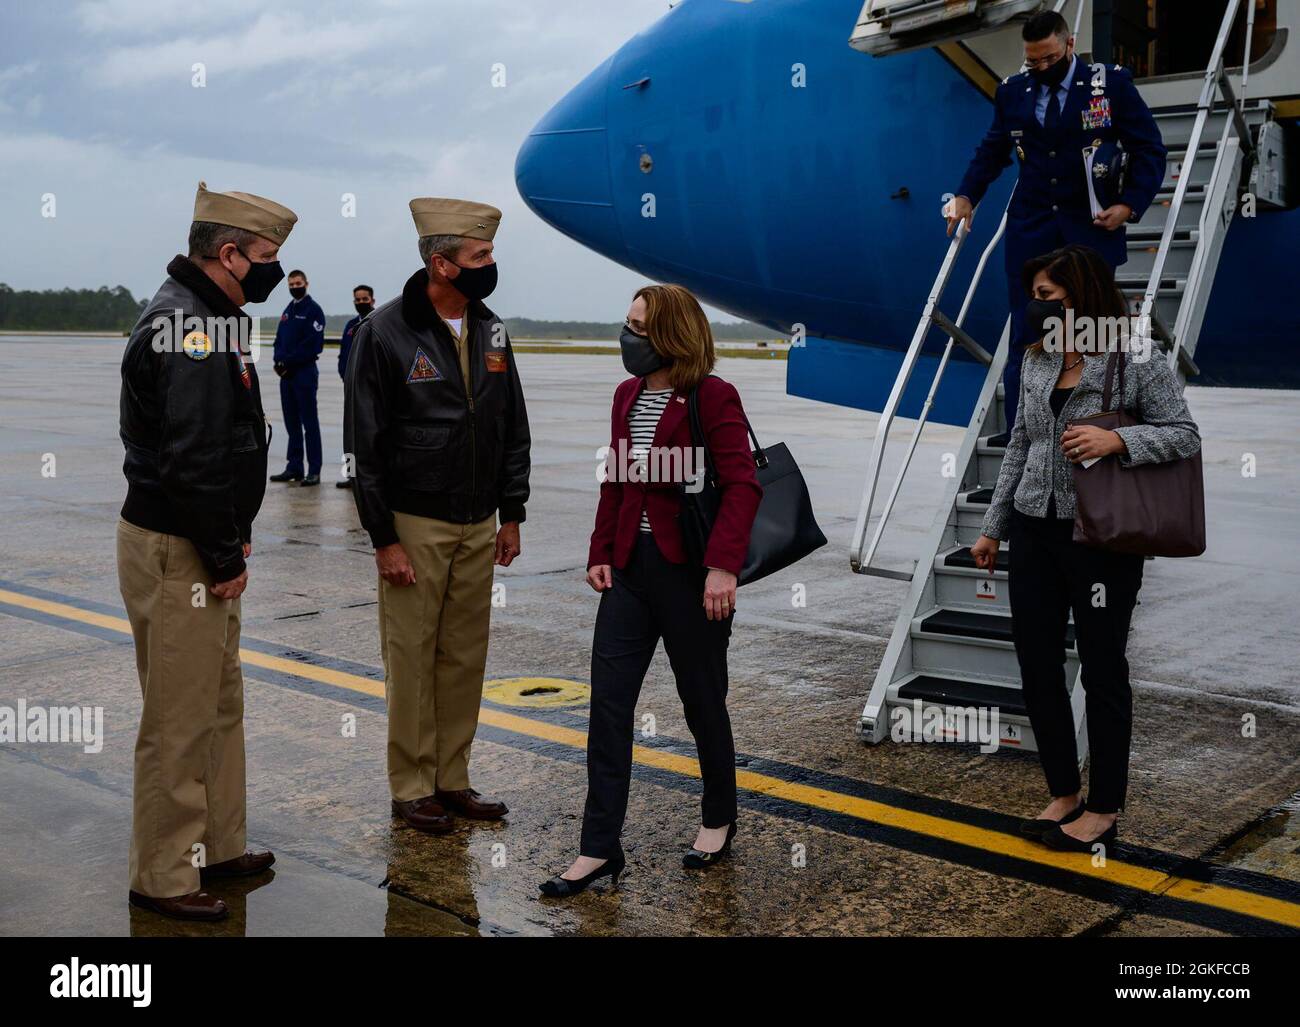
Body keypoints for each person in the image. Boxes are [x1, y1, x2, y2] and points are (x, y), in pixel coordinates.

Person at [969, 244, 1200, 853]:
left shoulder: (1134, 354)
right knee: (1036, 662)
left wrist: (1115, 439)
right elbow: (1019, 443)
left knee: (1102, 668)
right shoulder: (1038, 357)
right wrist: (994, 526)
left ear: (1081, 296)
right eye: (1035, 296)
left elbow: (1183, 434)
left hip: (1100, 535)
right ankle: (1064, 792)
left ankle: (1104, 806)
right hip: (1035, 528)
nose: (1036, 306)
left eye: (1047, 296)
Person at [539, 284, 762, 898]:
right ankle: (598, 847)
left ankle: (717, 817)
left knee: (701, 701)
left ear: (670, 335)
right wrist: (600, 552)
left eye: (639, 326)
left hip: (691, 574)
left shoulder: (712, 395)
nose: (628, 335)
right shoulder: (626, 395)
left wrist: (723, 568)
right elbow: (615, 479)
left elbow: (742, 486)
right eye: (627, 322)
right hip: (630, 573)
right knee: (608, 707)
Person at [117, 180, 297, 920]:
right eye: (265, 257)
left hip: (206, 538)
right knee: (179, 718)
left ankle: (216, 847)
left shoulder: (211, 316)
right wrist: (224, 555)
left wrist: (232, 538)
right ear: (228, 254)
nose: (272, 271)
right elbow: (191, 459)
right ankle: (163, 876)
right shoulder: (186, 325)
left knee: (220, 705)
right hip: (182, 546)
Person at [345, 198, 530, 833]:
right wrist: (382, 538)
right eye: (480, 256)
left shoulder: (493, 328)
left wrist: (512, 512)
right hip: (414, 522)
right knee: (411, 656)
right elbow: (364, 446)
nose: (490, 265)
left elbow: (512, 426)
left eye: (490, 254)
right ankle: (411, 785)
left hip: (479, 521)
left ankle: (454, 778)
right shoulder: (385, 333)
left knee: (463, 656)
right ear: (440, 263)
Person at [946, 9, 1166, 438]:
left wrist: (1129, 205)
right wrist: (966, 194)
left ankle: (1092, 428)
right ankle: (1022, 434)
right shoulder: (1013, 91)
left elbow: (1149, 149)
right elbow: (993, 150)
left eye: (1050, 58)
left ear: (1069, 44)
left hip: (1091, 230)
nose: (1042, 68)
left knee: (1093, 331)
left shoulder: (1110, 83)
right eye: (1034, 61)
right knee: (1029, 334)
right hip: (1032, 231)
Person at [269, 269, 326, 486]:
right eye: (291, 284)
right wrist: (278, 361)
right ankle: (294, 467)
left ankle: (314, 470)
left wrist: (288, 362)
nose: (295, 287)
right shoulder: (287, 311)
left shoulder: (313, 310)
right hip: (286, 376)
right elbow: (279, 340)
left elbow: (313, 345)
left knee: (309, 424)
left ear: (306, 283)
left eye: (298, 283)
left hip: (304, 374)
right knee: (291, 423)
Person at [335, 284, 374, 488]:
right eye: (357, 300)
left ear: (372, 300)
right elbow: (343, 356)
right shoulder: (350, 326)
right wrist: (346, 376)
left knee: (371, 434)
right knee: (351, 434)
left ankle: (372, 475)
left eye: (364, 299)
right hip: (351, 388)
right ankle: (351, 475)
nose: (361, 303)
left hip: (372, 390)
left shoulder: (378, 323)